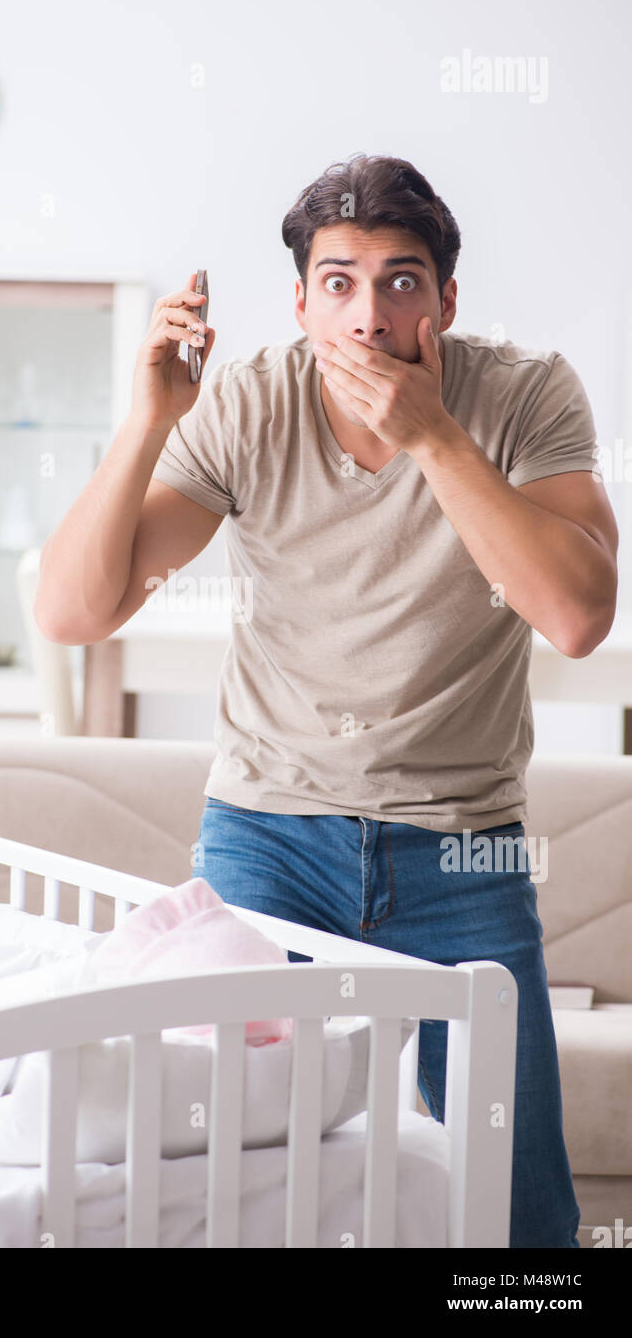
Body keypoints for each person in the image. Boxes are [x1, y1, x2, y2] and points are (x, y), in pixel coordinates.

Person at [34, 153, 618, 1248]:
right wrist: (147, 421)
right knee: (234, 1180)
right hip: (269, 836)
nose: (368, 314)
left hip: (464, 851)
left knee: (519, 1209)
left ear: (447, 298)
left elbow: (578, 613)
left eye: (402, 280)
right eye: (339, 281)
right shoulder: (252, 401)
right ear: (300, 301)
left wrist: (434, 435)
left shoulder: (524, 392)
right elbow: (75, 612)